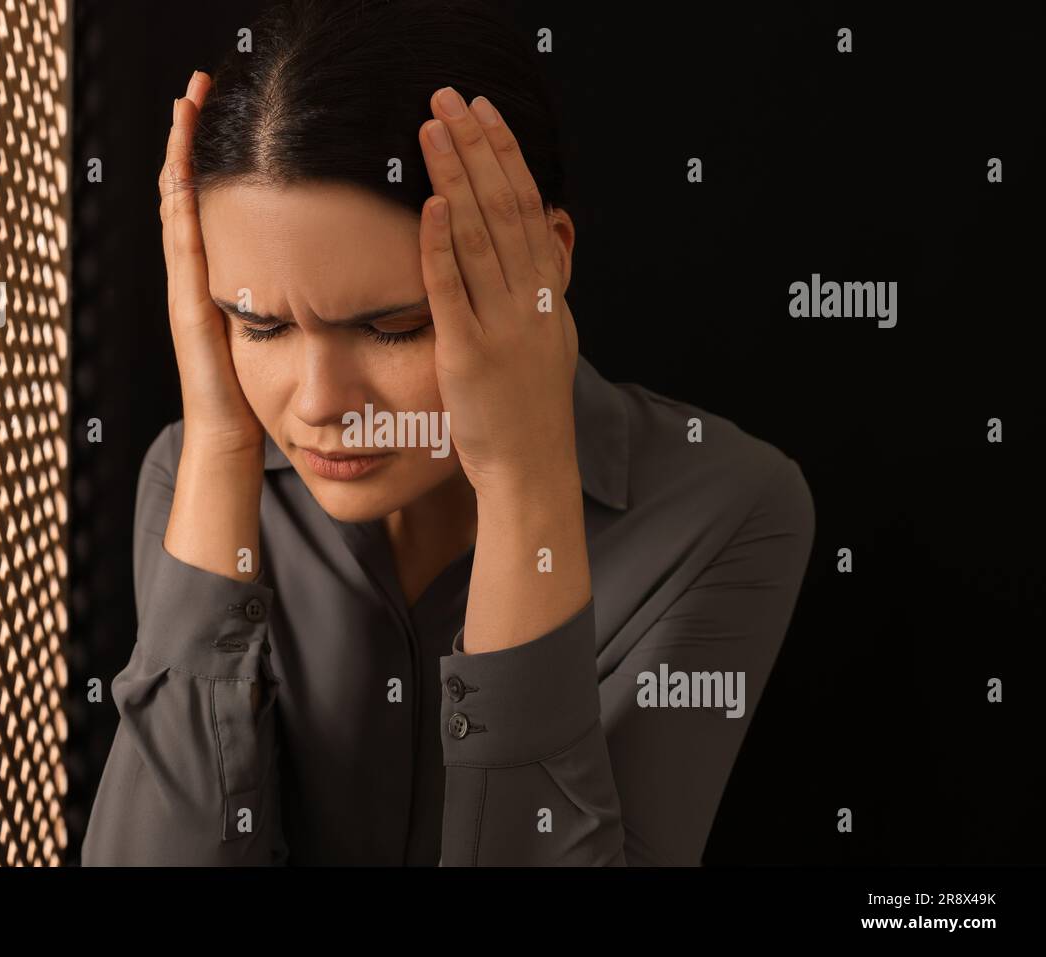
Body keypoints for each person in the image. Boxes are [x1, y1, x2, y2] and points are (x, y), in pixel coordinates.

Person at [82, 0, 814, 866]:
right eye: (259, 324)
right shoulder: (193, 480)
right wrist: (218, 448)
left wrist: (524, 478)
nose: (320, 403)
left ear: (544, 262)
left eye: (393, 327)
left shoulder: (725, 508)